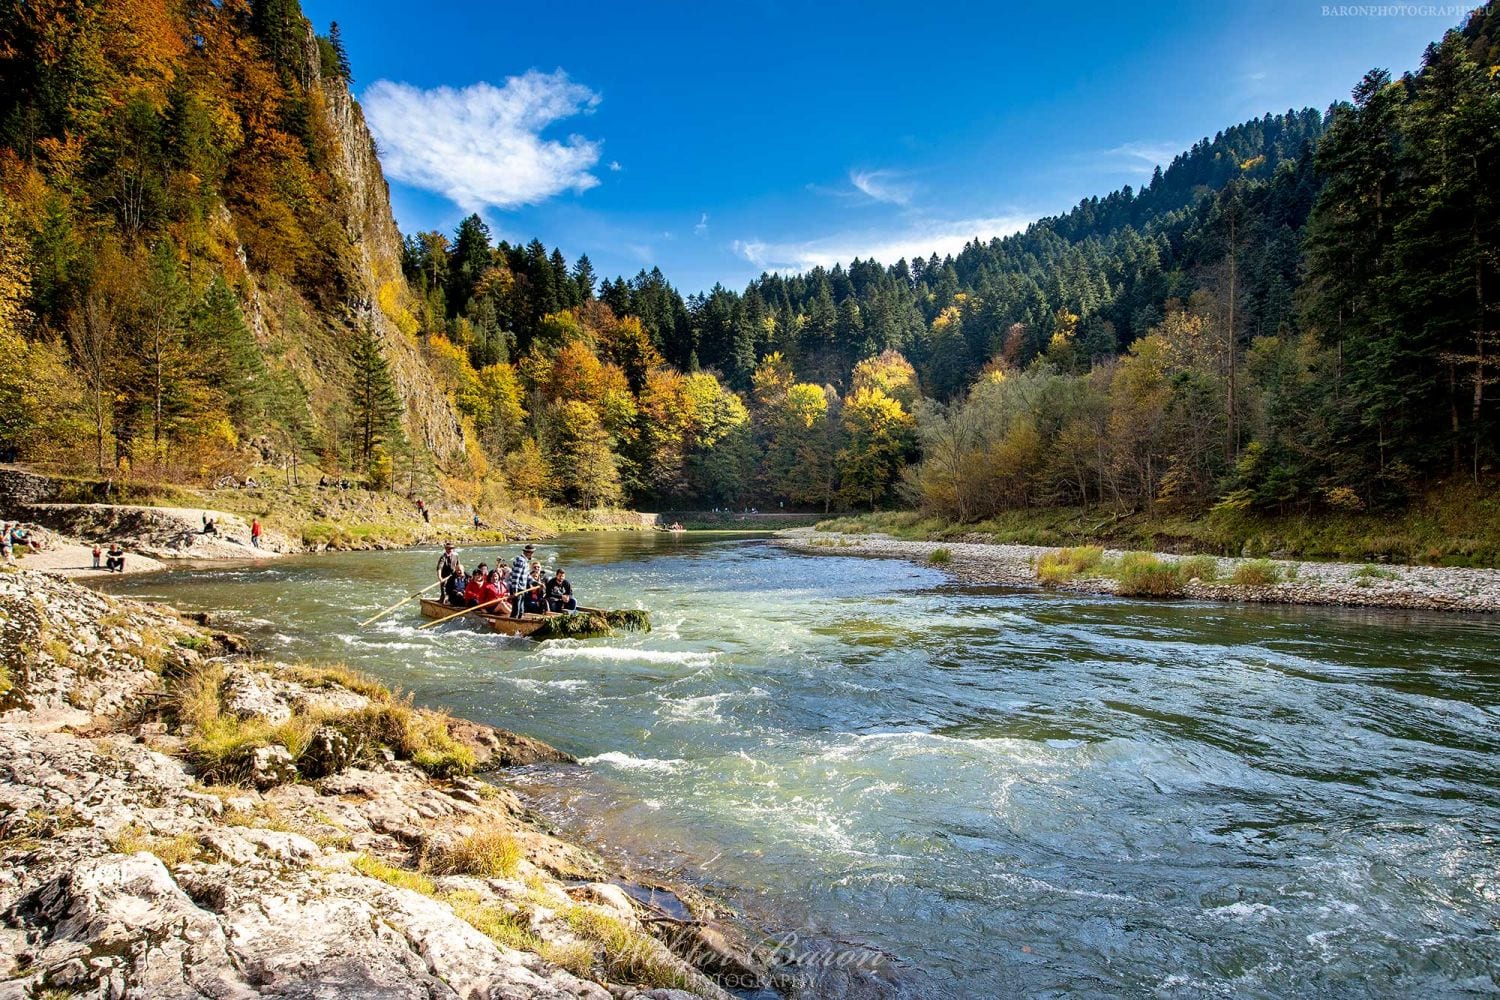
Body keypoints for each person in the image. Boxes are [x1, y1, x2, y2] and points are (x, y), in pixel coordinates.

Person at [508, 544, 536, 618]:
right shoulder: (520, 561)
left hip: (522, 589)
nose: (532, 555)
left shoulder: (525, 562)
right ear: (528, 553)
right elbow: (515, 577)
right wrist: (515, 591)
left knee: (521, 610)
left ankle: (519, 622)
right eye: (532, 553)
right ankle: (512, 624)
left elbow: (527, 576)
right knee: (516, 610)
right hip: (517, 588)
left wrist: (535, 583)